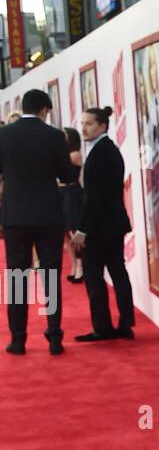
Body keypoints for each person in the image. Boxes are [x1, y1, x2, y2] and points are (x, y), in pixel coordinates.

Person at [0, 87, 80, 355]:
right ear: (45, 110)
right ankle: (55, 338)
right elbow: (67, 175)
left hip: (16, 216)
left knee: (17, 277)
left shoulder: (4, 135)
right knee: (50, 276)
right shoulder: (54, 136)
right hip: (48, 215)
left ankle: (18, 339)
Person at [72, 106, 135, 343]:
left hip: (99, 228)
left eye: (89, 123)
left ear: (102, 126)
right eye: (83, 123)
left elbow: (94, 197)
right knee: (118, 273)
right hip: (112, 225)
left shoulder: (101, 153)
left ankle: (103, 327)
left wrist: (82, 230)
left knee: (95, 277)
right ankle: (125, 323)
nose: (84, 128)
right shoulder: (107, 149)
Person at [61, 126, 85, 283]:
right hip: (60, 194)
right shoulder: (62, 153)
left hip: (72, 193)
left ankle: (81, 265)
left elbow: (60, 166)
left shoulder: (75, 154)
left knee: (73, 231)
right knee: (65, 233)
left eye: (63, 136)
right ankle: (73, 266)